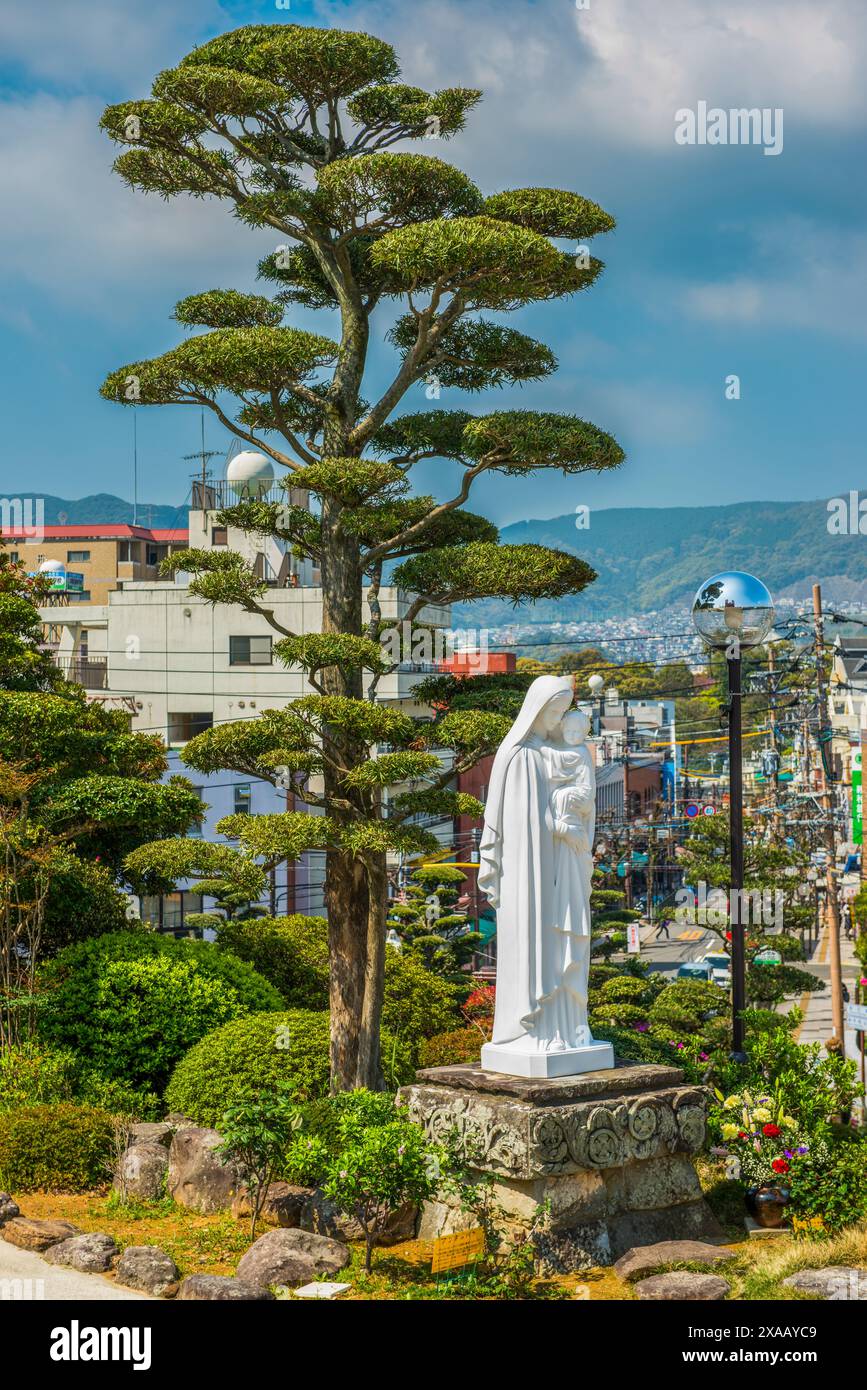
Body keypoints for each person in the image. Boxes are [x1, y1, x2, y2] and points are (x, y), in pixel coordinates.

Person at [478, 678, 607, 1064]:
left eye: (561, 713)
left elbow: (582, 798)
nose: (557, 721)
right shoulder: (520, 755)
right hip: (529, 876)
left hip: (559, 867)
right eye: (552, 712)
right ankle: (536, 1028)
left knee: (564, 940)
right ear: (535, 709)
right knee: (539, 946)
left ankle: (568, 1030)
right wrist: (559, 825)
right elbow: (524, 825)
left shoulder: (555, 751)